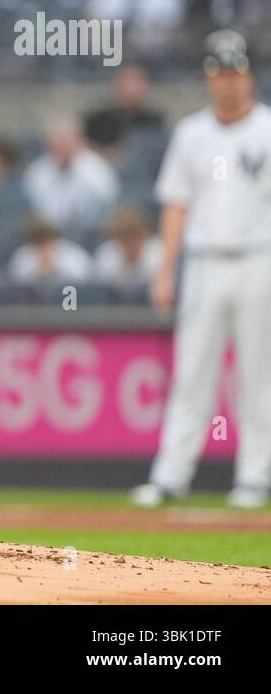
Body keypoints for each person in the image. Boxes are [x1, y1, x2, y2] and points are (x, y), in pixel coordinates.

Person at [132, 31, 271, 510]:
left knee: (259, 376)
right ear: (208, 79)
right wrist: (165, 270)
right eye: (219, 74)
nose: (228, 83)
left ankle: (255, 476)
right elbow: (176, 206)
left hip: (259, 260)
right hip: (205, 263)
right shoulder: (192, 134)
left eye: (235, 72)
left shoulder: (268, 129)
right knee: (192, 374)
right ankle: (170, 475)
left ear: (248, 75)